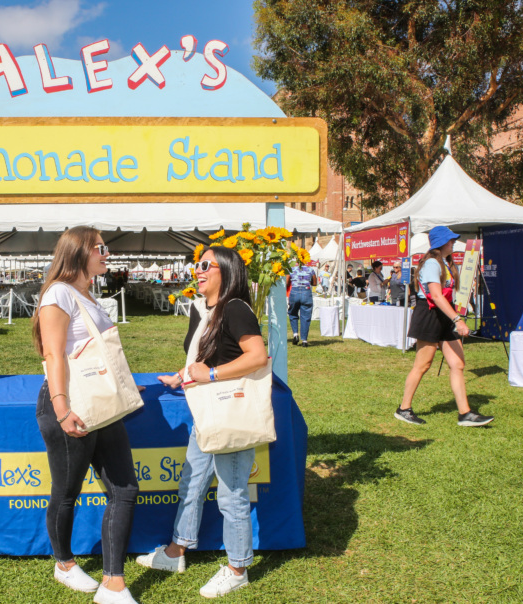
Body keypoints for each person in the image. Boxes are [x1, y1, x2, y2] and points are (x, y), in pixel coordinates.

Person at [138, 246, 268, 598]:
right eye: (197, 264)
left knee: (231, 496)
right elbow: (207, 354)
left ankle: (237, 568)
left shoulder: (236, 308)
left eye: (206, 265)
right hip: (207, 412)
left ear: (225, 270)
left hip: (232, 414)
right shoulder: (204, 309)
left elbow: (257, 356)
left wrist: (209, 374)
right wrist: (183, 375)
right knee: (192, 482)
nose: (198, 270)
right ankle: (176, 551)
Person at [32, 226, 141, 604]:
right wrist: (62, 408)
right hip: (68, 405)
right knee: (66, 492)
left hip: (102, 406)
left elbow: (96, 357)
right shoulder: (58, 293)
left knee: (125, 489)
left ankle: (113, 583)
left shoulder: (87, 294)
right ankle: (63, 564)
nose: (106, 254)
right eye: (101, 248)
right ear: (79, 251)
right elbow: (54, 354)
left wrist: (122, 385)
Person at [396, 226, 494, 427]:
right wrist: (457, 319)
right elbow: (436, 296)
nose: (453, 243)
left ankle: (465, 413)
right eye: (450, 240)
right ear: (441, 243)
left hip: (444, 314)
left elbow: (446, 296)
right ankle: (404, 409)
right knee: (423, 364)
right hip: (430, 314)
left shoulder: (446, 264)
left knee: (457, 363)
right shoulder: (432, 263)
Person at [287, 260, 318, 347]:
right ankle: (304, 340)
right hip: (306, 292)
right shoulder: (310, 269)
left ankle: (295, 334)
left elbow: (286, 282)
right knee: (306, 316)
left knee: (293, 313)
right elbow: (315, 283)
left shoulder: (291, 269)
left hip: (294, 292)